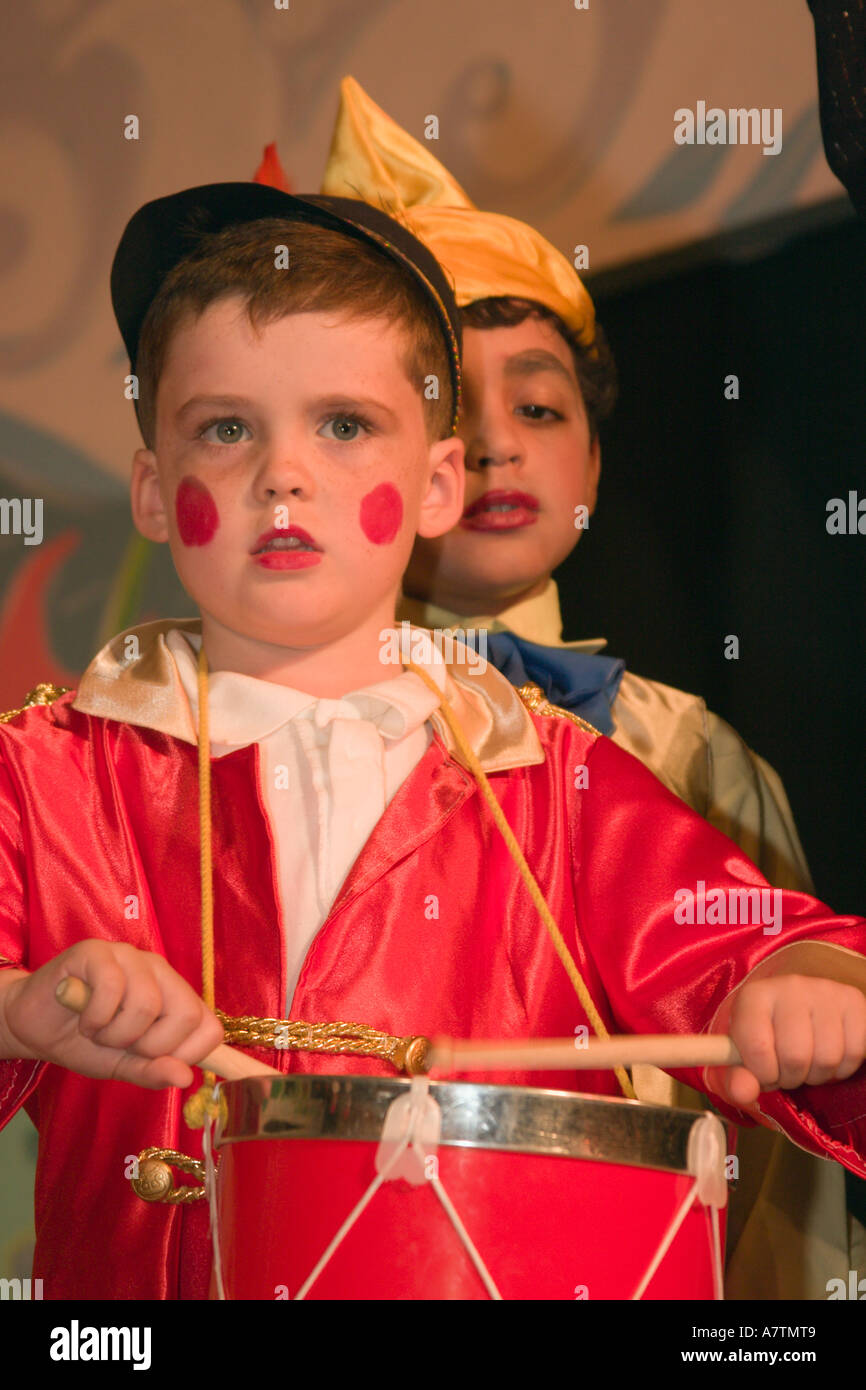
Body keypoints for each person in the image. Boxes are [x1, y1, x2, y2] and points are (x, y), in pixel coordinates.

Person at [1, 181, 865, 1302]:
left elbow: (759, 944)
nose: (283, 473)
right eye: (227, 428)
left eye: (344, 425)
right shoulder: (48, 776)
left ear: (438, 484)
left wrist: (803, 980)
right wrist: (26, 1006)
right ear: (157, 493)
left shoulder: (552, 783)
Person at [318, 76, 862, 1296]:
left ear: (597, 462)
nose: (501, 442)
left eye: (541, 405)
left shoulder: (683, 754)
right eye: (448, 403)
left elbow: (782, 1153)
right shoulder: (275, 729)